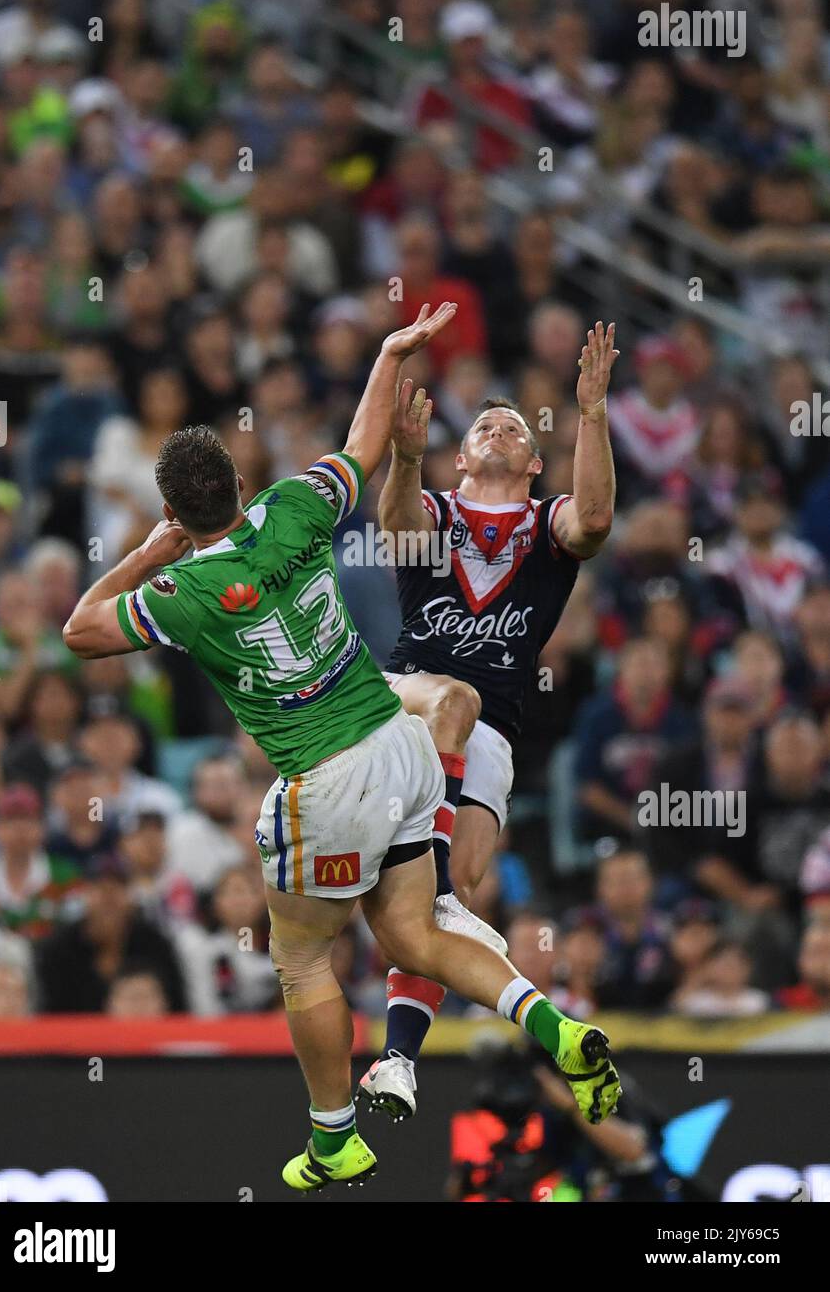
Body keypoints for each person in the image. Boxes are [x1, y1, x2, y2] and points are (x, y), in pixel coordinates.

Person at [62, 303, 621, 1192]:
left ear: (176, 509)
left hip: (324, 777)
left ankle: (334, 1136)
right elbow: (362, 449)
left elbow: (81, 631)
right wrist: (391, 355)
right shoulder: (292, 508)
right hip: (396, 745)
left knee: (303, 955)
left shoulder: (186, 590)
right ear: (242, 484)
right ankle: (552, 1025)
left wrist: (146, 552)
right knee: (412, 927)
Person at [360, 321, 620, 1118]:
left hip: (488, 738)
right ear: (461, 458)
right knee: (453, 699)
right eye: (483, 426)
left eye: (513, 426)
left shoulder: (547, 527)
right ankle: (429, 881)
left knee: (461, 895)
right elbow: (396, 528)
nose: (498, 429)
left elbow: (597, 523)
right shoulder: (435, 509)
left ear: (537, 463)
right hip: (399, 697)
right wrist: (403, 457)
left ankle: (397, 1062)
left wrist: (594, 413)